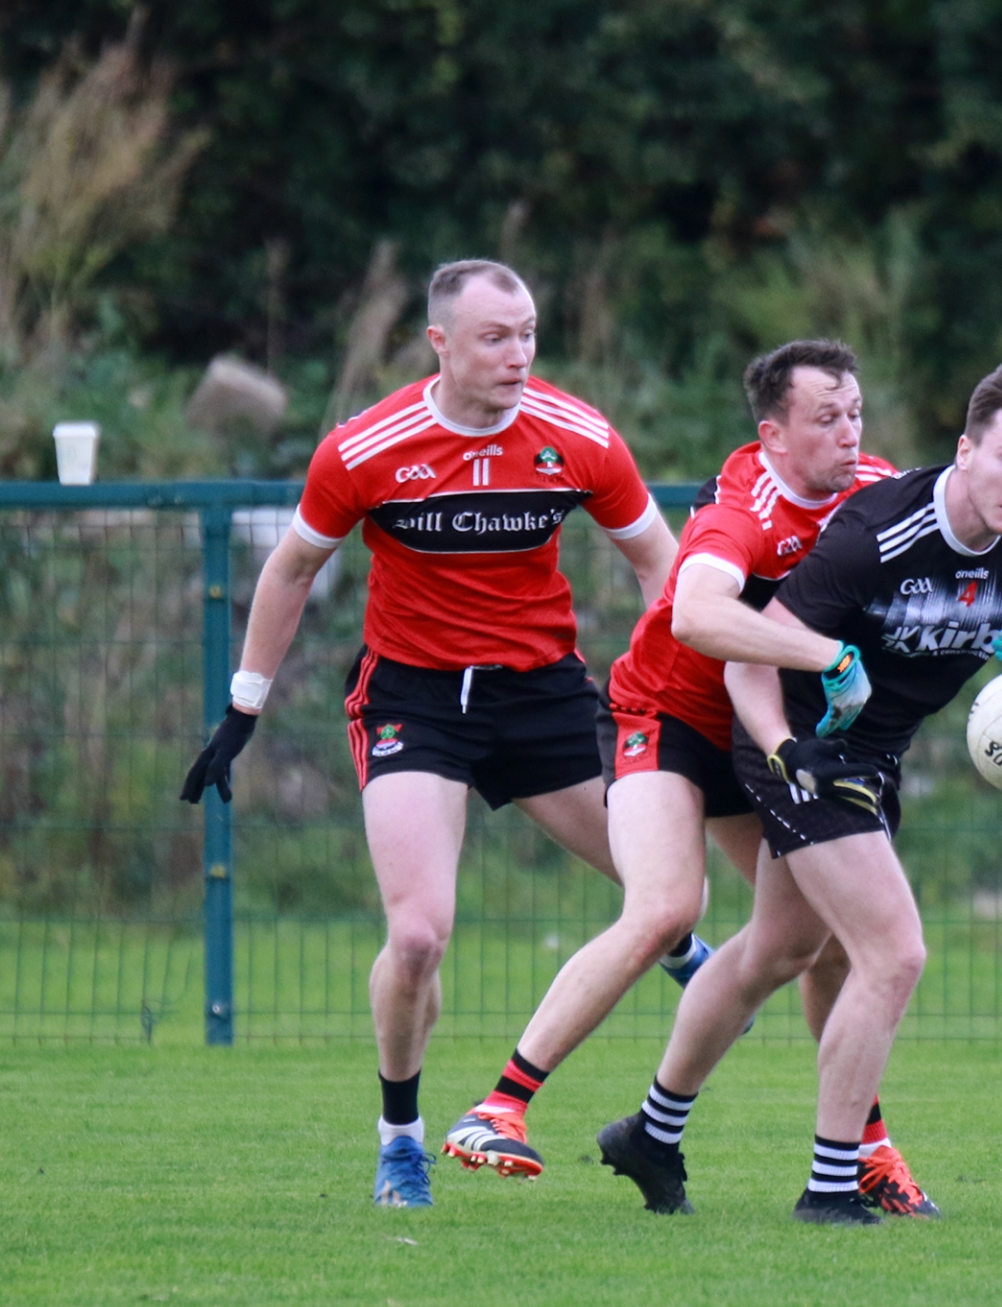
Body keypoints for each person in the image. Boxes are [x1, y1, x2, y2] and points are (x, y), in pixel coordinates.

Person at [597, 361, 1002, 1225]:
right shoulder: (879, 533)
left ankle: (651, 1131)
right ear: (966, 449)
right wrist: (787, 750)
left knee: (775, 952)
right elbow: (753, 657)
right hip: (798, 748)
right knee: (894, 951)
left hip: (871, 759)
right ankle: (834, 1184)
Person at [180, 259, 678, 1209]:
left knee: (666, 894)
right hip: (414, 701)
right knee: (416, 937)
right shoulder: (367, 449)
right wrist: (244, 707)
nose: (519, 354)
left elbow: (660, 560)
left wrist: (674, 690)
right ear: (440, 343)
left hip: (541, 697)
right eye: (496, 337)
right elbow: (288, 572)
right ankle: (401, 1142)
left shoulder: (576, 436)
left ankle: (688, 971)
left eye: (529, 332)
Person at [440, 339, 939, 1214]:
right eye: (827, 418)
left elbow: (956, 526)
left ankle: (836, 1149)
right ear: (773, 434)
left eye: (855, 412)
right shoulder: (742, 509)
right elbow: (701, 608)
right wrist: (829, 652)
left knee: (820, 939)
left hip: (773, 741)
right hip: (667, 721)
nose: (849, 432)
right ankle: (500, 1106)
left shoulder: (874, 494)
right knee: (669, 906)